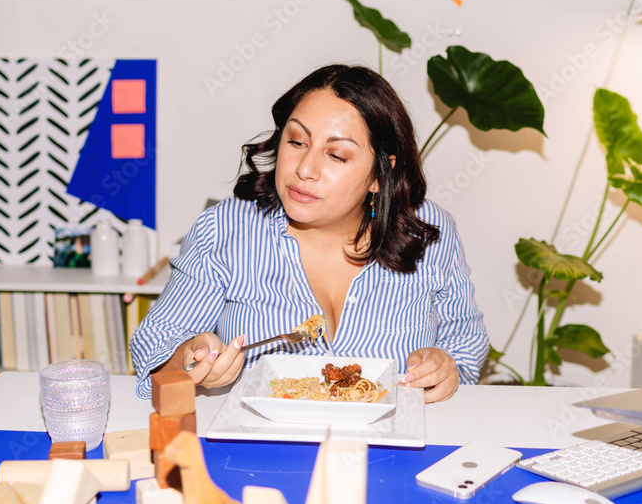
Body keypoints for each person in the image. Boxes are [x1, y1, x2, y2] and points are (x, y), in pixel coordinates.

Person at [130, 64, 488, 403]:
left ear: (380, 175)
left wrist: (446, 365)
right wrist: (190, 359)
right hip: (259, 452)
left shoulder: (426, 233)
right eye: (297, 142)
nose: (304, 169)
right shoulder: (224, 229)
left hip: (389, 451)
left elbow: (465, 345)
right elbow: (154, 352)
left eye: (336, 155)